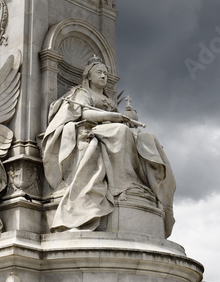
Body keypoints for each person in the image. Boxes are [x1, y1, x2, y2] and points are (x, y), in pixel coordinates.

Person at [39, 59, 176, 234]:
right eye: (99, 72)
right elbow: (83, 113)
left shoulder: (107, 99)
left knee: (148, 138)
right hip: (90, 128)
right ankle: (123, 184)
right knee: (120, 132)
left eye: (105, 73)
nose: (104, 76)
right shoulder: (82, 92)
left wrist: (126, 116)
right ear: (88, 75)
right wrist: (111, 117)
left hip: (107, 127)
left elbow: (116, 118)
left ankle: (146, 186)